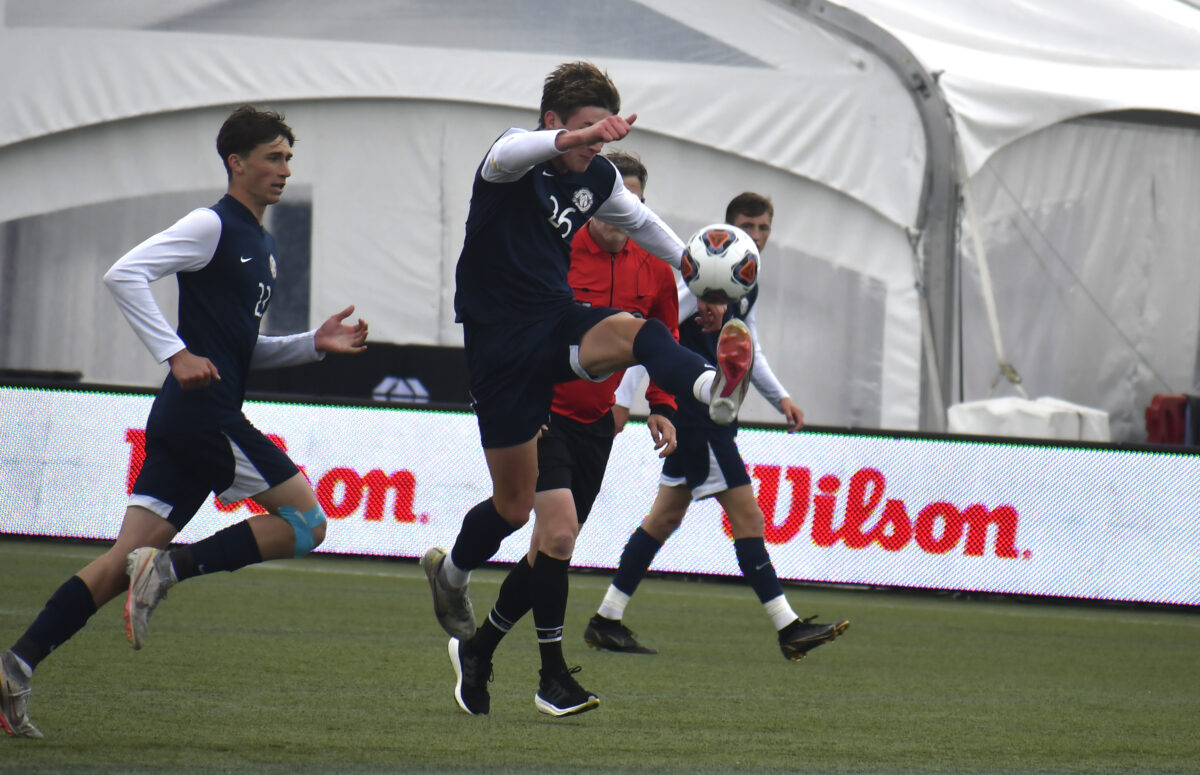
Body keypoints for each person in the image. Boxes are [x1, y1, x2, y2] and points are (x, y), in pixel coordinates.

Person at [0, 105, 369, 739]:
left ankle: (12, 669)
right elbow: (125, 274)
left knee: (118, 562)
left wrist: (313, 342)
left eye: (288, 159)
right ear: (237, 163)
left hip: (186, 417)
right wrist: (173, 352)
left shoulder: (263, 242)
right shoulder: (210, 224)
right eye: (273, 158)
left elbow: (237, 349)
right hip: (204, 416)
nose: (284, 170)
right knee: (308, 524)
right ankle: (169, 568)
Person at [420, 61, 755, 717]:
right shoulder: (511, 161)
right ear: (552, 124)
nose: (595, 149)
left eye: (602, 139)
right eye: (584, 134)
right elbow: (519, 146)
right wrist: (568, 141)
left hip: (552, 321)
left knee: (636, 331)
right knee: (514, 510)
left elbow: (642, 223)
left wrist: (696, 265)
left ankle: (711, 382)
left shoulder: (596, 175)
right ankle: (453, 572)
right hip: (497, 344)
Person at [445, 150, 680, 717]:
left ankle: (478, 652)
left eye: (632, 206)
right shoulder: (558, 249)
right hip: (542, 411)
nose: (619, 216)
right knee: (558, 537)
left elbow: (664, 337)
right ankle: (551, 677)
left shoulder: (654, 270)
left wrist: (662, 402)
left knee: (547, 554)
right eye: (607, 205)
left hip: (597, 428)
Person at [584, 191, 851, 662]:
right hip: (699, 417)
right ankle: (788, 626)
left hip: (707, 415)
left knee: (663, 518)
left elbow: (747, 344)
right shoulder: (705, 273)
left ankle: (606, 618)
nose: (757, 235)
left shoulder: (742, 276)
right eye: (749, 225)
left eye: (764, 226)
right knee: (748, 518)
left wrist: (780, 396)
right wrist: (625, 398)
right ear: (726, 229)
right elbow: (649, 334)